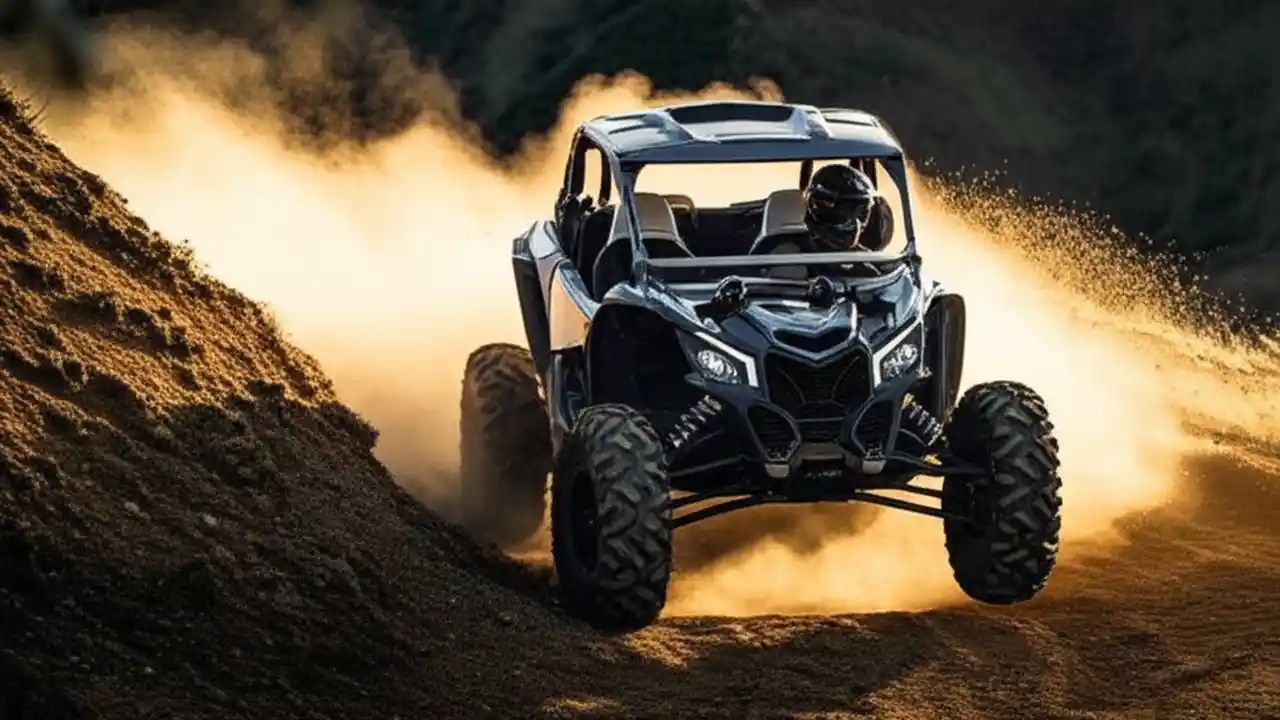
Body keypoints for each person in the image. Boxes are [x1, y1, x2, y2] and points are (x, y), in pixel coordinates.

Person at [801, 164, 894, 252]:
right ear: (825, 209)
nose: (861, 221)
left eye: (864, 209)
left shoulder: (868, 260)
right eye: (854, 209)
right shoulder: (795, 254)